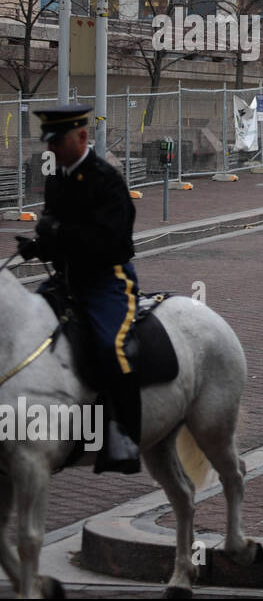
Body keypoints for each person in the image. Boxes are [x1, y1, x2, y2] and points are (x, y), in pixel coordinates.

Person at [16, 105, 142, 473]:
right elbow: (60, 236)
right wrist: (38, 248)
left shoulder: (106, 180)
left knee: (111, 346)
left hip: (107, 280)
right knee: (25, 333)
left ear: (82, 137)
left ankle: (124, 435)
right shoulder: (57, 180)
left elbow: (112, 242)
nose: (52, 149)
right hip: (67, 280)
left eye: (58, 141)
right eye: (49, 143)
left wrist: (59, 235)